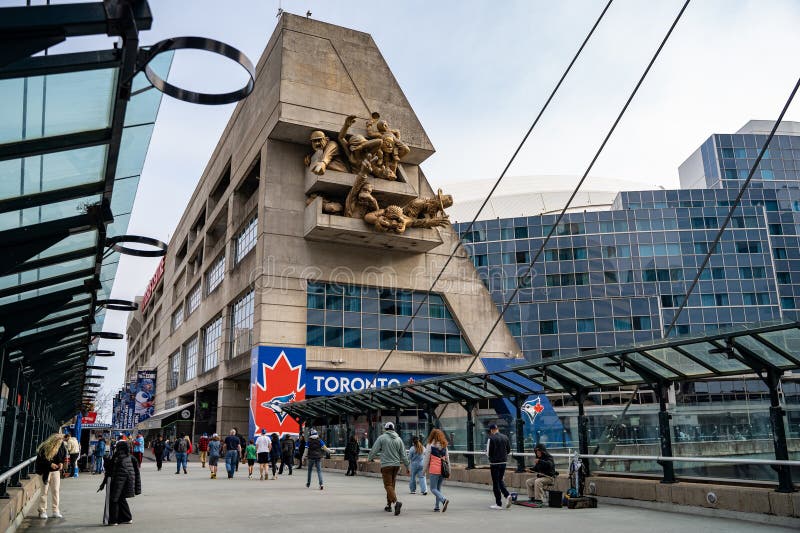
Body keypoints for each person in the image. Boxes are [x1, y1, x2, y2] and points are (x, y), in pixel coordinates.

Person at [368, 422, 409, 515]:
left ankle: (396, 502)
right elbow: (403, 455)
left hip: (386, 465)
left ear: (385, 429)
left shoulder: (382, 438)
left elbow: (374, 450)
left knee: (387, 485)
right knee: (391, 486)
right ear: (393, 429)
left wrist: (369, 458)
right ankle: (388, 505)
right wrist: (407, 466)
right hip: (396, 466)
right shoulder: (399, 439)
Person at [100, 440, 141, 526]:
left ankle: (113, 520)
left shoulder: (118, 457)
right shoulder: (130, 457)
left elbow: (111, 469)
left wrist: (106, 460)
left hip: (117, 481)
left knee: (114, 499)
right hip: (127, 482)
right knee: (121, 499)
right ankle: (127, 518)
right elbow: (136, 473)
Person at [35, 433, 67, 519]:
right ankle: (42, 511)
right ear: (54, 441)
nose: (60, 443)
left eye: (61, 441)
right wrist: (50, 464)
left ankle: (55, 510)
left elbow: (63, 456)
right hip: (44, 471)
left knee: (56, 491)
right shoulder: (44, 447)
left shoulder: (61, 446)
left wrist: (60, 463)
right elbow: (40, 460)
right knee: (44, 491)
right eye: (59, 441)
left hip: (55, 472)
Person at [423, 429, 450, 512]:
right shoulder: (444, 445)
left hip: (434, 470)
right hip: (442, 470)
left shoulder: (430, 445)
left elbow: (427, 459)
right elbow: (448, 460)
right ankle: (437, 506)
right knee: (438, 489)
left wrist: (423, 471)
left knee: (433, 489)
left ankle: (444, 500)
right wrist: (449, 471)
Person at [486, 424, 512, 510]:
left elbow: (488, 452)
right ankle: (507, 495)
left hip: (494, 463)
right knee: (500, 480)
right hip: (504, 462)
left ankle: (498, 503)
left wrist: (489, 454)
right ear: (497, 429)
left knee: (495, 483)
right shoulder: (505, 437)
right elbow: (508, 450)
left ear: (492, 430)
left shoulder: (491, 438)